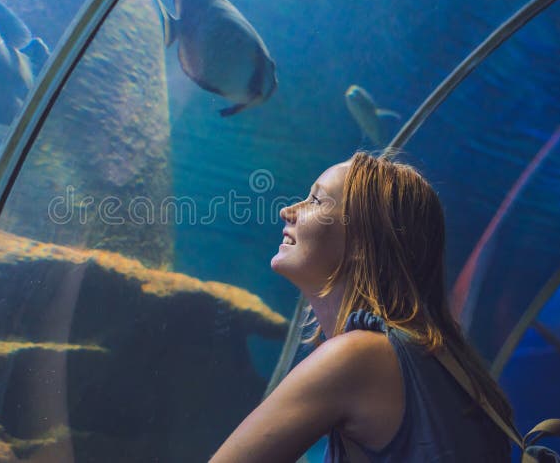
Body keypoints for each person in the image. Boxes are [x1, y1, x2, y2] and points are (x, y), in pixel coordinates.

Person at [210, 152, 512, 462]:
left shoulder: (359, 357)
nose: (288, 211)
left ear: (363, 240)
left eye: (315, 201)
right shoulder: (457, 368)